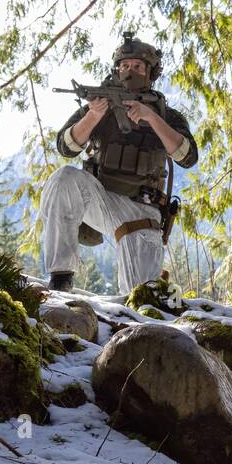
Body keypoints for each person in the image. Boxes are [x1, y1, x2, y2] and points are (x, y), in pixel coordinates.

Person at [39, 33, 198, 293]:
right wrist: (93, 115)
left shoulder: (167, 115)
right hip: (100, 201)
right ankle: (60, 279)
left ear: (150, 73)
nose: (130, 72)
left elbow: (188, 157)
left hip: (142, 212)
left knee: (142, 300)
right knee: (63, 179)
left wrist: (152, 119)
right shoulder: (98, 107)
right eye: (124, 66)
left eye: (137, 67)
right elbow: (65, 147)